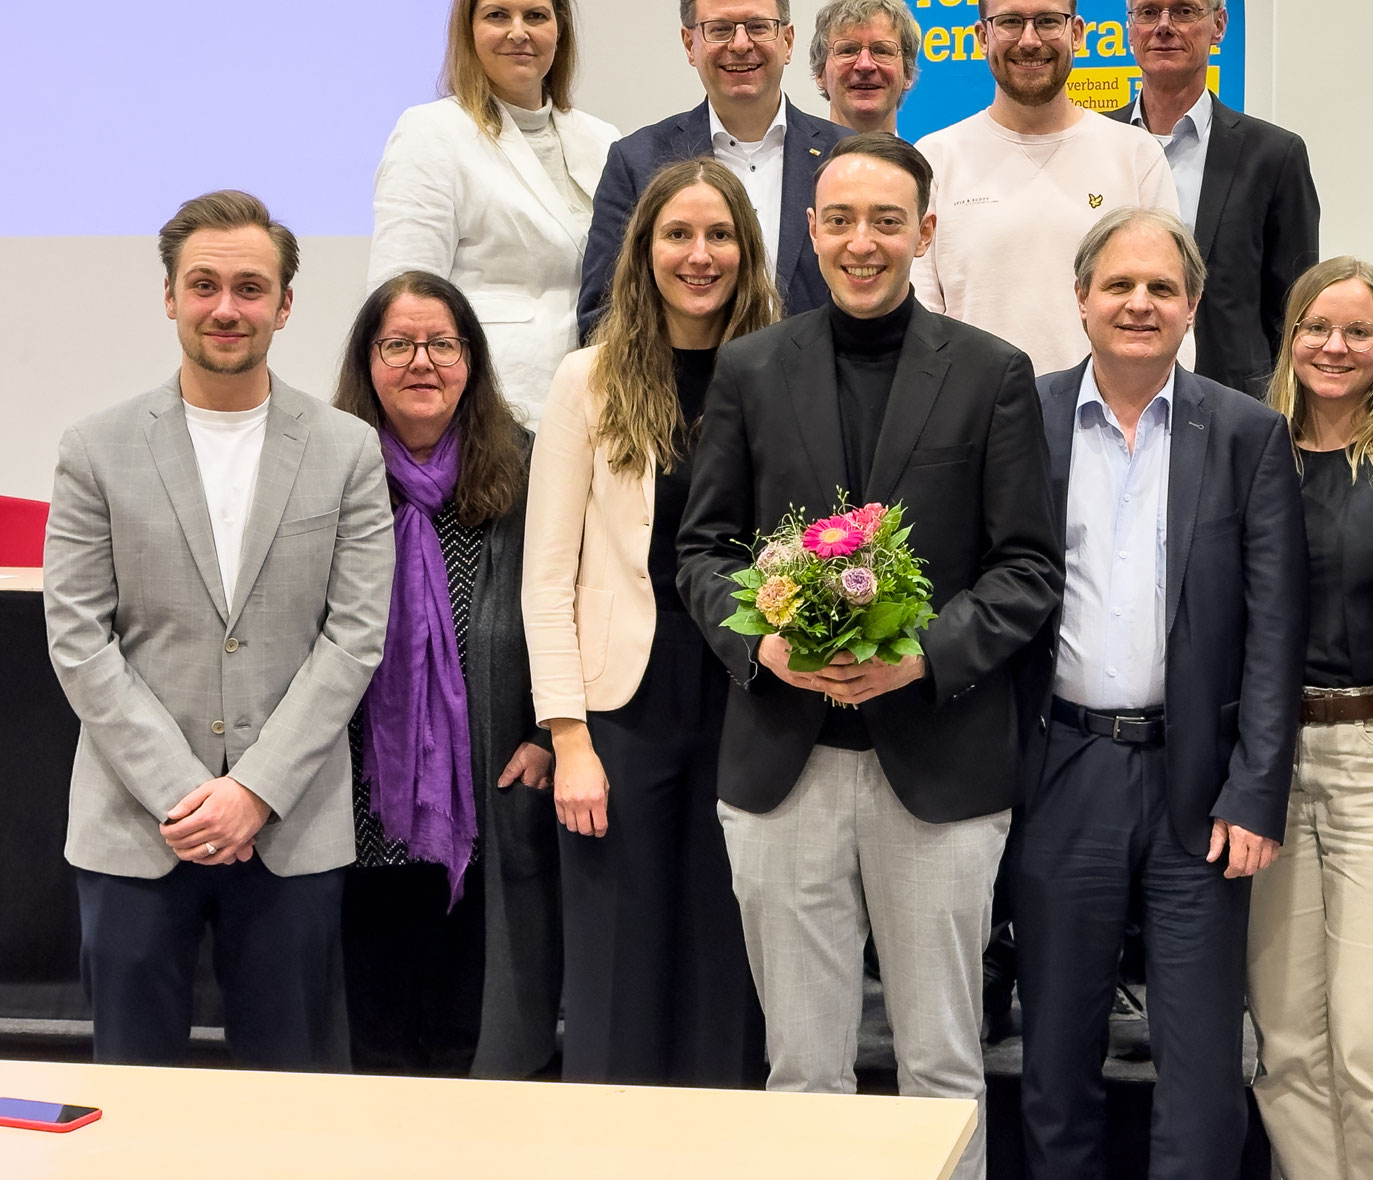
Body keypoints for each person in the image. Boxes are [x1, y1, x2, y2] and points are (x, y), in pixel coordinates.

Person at [678, 132, 1062, 1179]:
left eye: (886, 221)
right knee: (802, 1073)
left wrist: (920, 657)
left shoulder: (990, 375)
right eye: (839, 219)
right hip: (781, 766)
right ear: (809, 230)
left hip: (936, 771)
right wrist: (762, 646)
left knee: (941, 1066)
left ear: (923, 233)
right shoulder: (751, 368)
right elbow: (701, 551)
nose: (861, 241)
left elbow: (1026, 569)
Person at [43, 190, 394, 1069]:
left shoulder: (348, 449)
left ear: (283, 305)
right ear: (170, 297)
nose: (225, 308)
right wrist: (183, 791)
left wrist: (253, 791)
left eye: (249, 287)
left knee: (291, 1099)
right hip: (135, 826)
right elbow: (79, 640)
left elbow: (354, 638)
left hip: (291, 825)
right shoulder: (96, 448)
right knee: (133, 1096)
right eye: (204, 285)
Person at [1016, 207, 1308, 1180]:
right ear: (1082, 299)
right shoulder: (1024, 418)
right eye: (1118, 285)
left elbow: (1273, 633)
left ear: (1190, 306)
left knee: (1199, 1069)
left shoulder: (1246, 434)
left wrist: (1256, 789)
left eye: (1159, 289)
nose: (1137, 304)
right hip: (1062, 774)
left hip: (1203, 789)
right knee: (1054, 1055)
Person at [523, 158, 781, 1085]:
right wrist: (568, 735)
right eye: (678, 235)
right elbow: (547, 575)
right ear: (644, 251)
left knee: (728, 965)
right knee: (615, 975)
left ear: (747, 252)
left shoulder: (784, 369)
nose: (699, 255)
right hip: (619, 711)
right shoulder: (586, 380)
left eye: (719, 236)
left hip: (749, 700)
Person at [1246, 257, 1373, 1180]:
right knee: (1286, 1046)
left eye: (1358, 331)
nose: (1335, 347)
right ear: (1289, 338)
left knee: (1372, 1049)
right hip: (1268, 766)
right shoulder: (1248, 452)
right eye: (1316, 327)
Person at [330, 270, 561, 1078]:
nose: (421, 362)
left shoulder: (528, 468)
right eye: (398, 344)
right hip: (360, 786)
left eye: (441, 344)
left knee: (473, 1017)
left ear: (471, 359)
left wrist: (545, 734)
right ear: (368, 361)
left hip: (492, 777)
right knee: (376, 1013)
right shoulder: (328, 468)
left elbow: (569, 603)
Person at [368, 0, 620, 428]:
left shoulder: (604, 140)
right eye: (497, 15)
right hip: (487, 408)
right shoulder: (432, 132)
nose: (518, 32)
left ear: (560, 31)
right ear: (469, 31)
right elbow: (400, 297)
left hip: (600, 402)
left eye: (536, 16)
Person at [914, 0, 1182, 375]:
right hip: (971, 429)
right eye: (1010, 22)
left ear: (1076, 32)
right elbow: (920, 323)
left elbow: (1173, 315)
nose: (1030, 40)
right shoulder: (935, 159)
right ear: (982, 36)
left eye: (1047, 21)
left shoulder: (1135, 155)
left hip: (1104, 426)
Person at [580, 0, 850, 333]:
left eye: (758, 27)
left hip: (821, 386)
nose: (741, 45)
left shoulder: (847, 157)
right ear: (690, 44)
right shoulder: (636, 161)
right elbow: (603, 314)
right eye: (720, 29)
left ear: (787, 42)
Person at [1103, 0, 1320, 396]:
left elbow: (1294, 311)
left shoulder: (1274, 156)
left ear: (1218, 25)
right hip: (1107, 398)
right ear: (1130, 28)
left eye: (1184, 10)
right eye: (1148, 11)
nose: (1164, 26)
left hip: (1236, 407)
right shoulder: (1093, 143)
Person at [810, 0, 920, 133]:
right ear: (820, 72)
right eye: (848, 50)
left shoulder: (929, 156)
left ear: (907, 73)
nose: (865, 65)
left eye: (882, 51)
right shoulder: (791, 157)